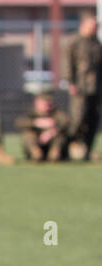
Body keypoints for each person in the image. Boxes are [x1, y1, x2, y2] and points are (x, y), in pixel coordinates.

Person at [66, 14, 101, 159]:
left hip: (96, 88)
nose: (95, 28)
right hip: (80, 87)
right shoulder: (75, 42)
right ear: (83, 25)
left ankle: (87, 150)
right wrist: (71, 82)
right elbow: (68, 63)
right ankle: (67, 147)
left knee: (93, 119)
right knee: (77, 119)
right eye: (92, 26)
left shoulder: (96, 42)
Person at [16, 92, 71, 161]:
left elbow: (66, 123)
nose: (47, 105)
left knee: (60, 136)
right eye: (44, 102)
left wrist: (52, 132)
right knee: (27, 134)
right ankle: (35, 153)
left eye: (49, 102)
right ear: (37, 102)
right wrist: (36, 122)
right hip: (38, 142)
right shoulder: (31, 114)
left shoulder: (56, 114)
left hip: (51, 143)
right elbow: (19, 123)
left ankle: (55, 154)